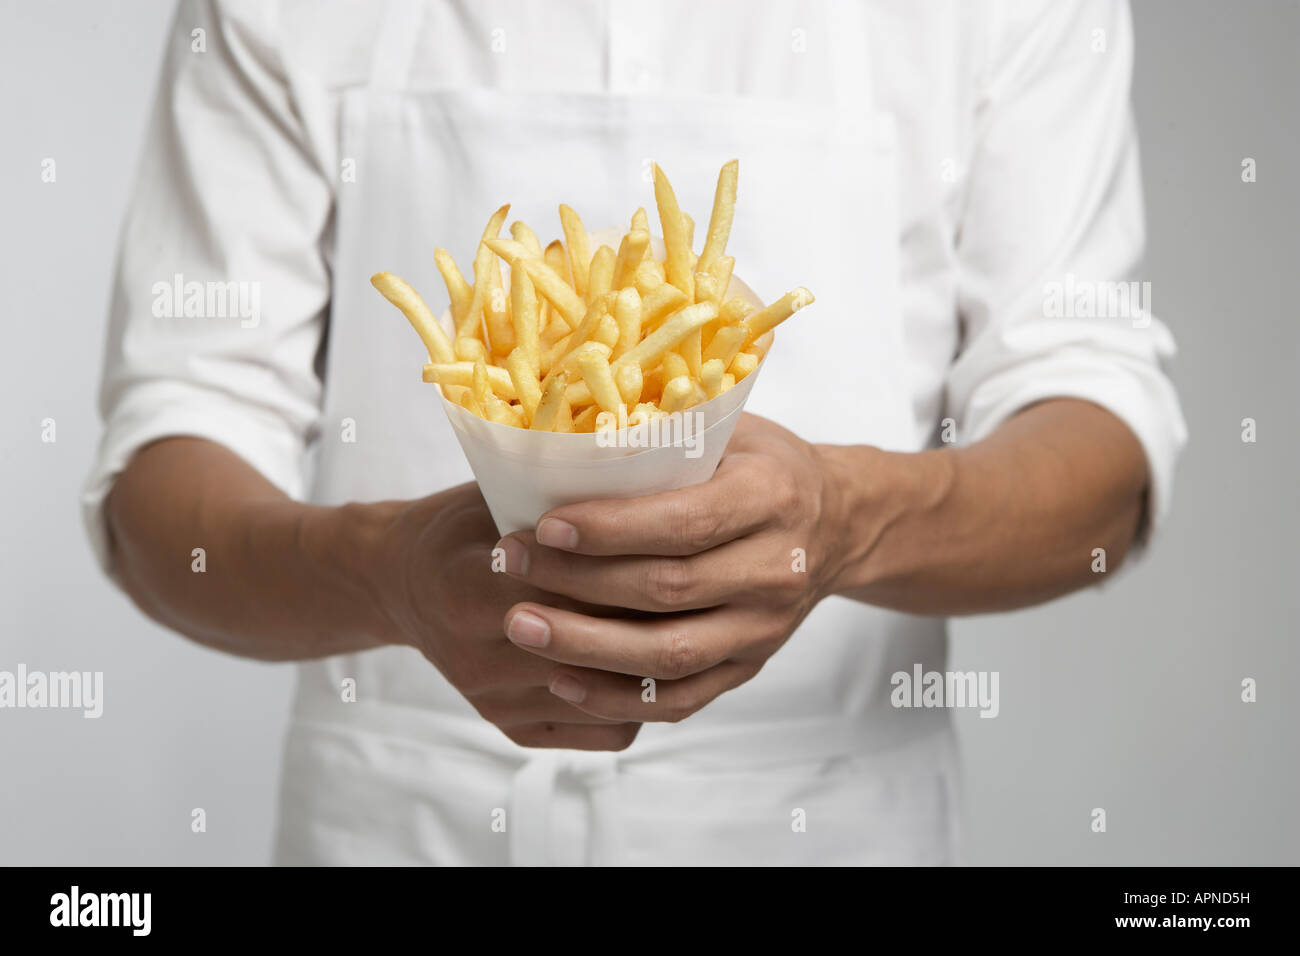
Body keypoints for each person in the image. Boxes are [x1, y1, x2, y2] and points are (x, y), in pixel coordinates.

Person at [85, 0, 1186, 865]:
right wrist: (388, 577)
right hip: (398, 826)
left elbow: (1100, 455)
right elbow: (162, 481)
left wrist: (846, 520)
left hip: (826, 829)